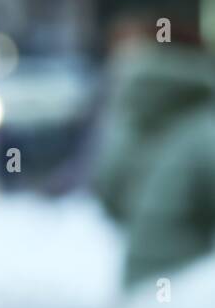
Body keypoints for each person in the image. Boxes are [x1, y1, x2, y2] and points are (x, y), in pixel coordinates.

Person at [90, 30, 215, 287]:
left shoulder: (131, 119)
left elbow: (110, 194)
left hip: (135, 284)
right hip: (185, 283)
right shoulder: (203, 126)